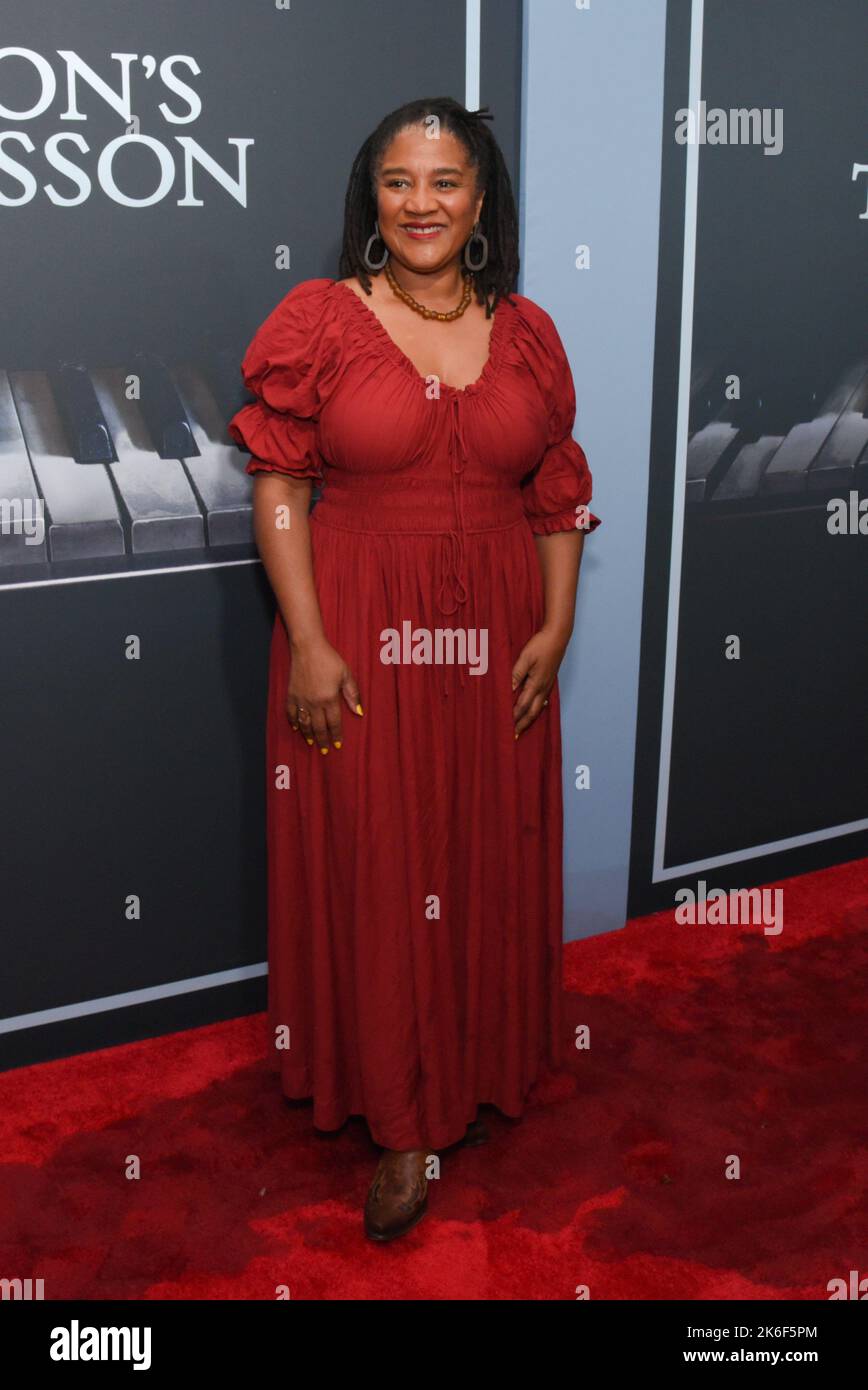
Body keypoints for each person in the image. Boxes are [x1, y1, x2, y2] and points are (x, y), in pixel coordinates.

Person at [228, 96, 600, 1242]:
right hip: (356, 629)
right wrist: (313, 642)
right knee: (383, 862)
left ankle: (476, 1065)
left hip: (496, 635)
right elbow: (280, 488)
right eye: (399, 182)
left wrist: (556, 626)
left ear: (480, 198)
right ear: (371, 199)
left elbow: (555, 493)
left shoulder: (527, 330)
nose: (422, 203)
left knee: (482, 844)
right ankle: (400, 1118)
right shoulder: (324, 319)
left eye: (445, 181)